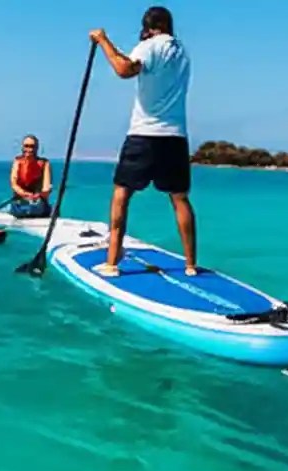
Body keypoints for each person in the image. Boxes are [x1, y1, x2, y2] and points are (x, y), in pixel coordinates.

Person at [89, 6, 197, 277]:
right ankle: (190, 265)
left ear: (150, 27)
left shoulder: (150, 46)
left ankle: (112, 263)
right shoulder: (182, 53)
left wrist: (103, 40)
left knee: (121, 195)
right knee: (180, 199)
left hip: (144, 134)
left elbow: (124, 69)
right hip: (175, 136)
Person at [9, 135, 53, 218]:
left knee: (41, 206)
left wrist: (41, 194)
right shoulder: (17, 161)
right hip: (20, 204)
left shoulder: (44, 163)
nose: (29, 149)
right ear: (22, 147)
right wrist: (25, 194)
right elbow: (14, 184)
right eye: (26, 146)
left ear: (37, 148)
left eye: (32, 146)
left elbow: (46, 187)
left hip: (38, 204)